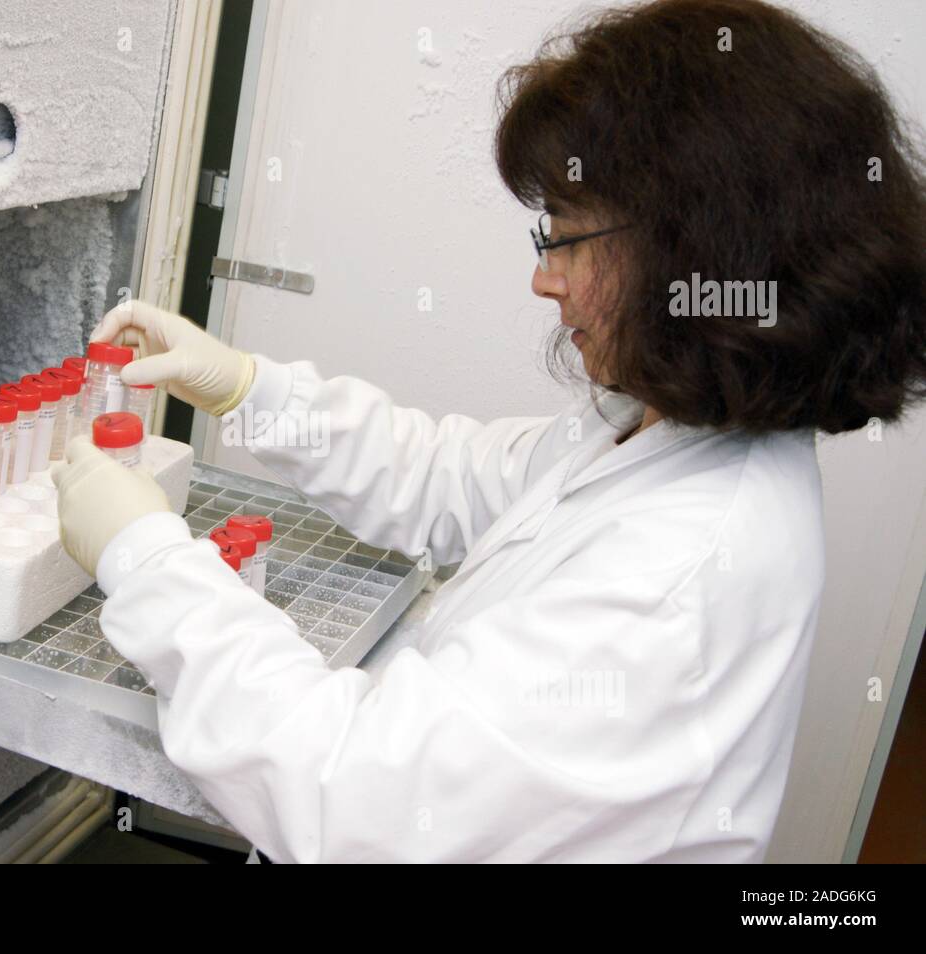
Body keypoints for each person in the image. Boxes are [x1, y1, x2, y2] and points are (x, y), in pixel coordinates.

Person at [51, 0, 926, 862]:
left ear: (701, 256)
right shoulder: (666, 426)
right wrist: (249, 389)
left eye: (572, 238)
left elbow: (352, 799)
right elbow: (457, 477)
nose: (545, 281)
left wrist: (147, 560)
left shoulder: (677, 577)